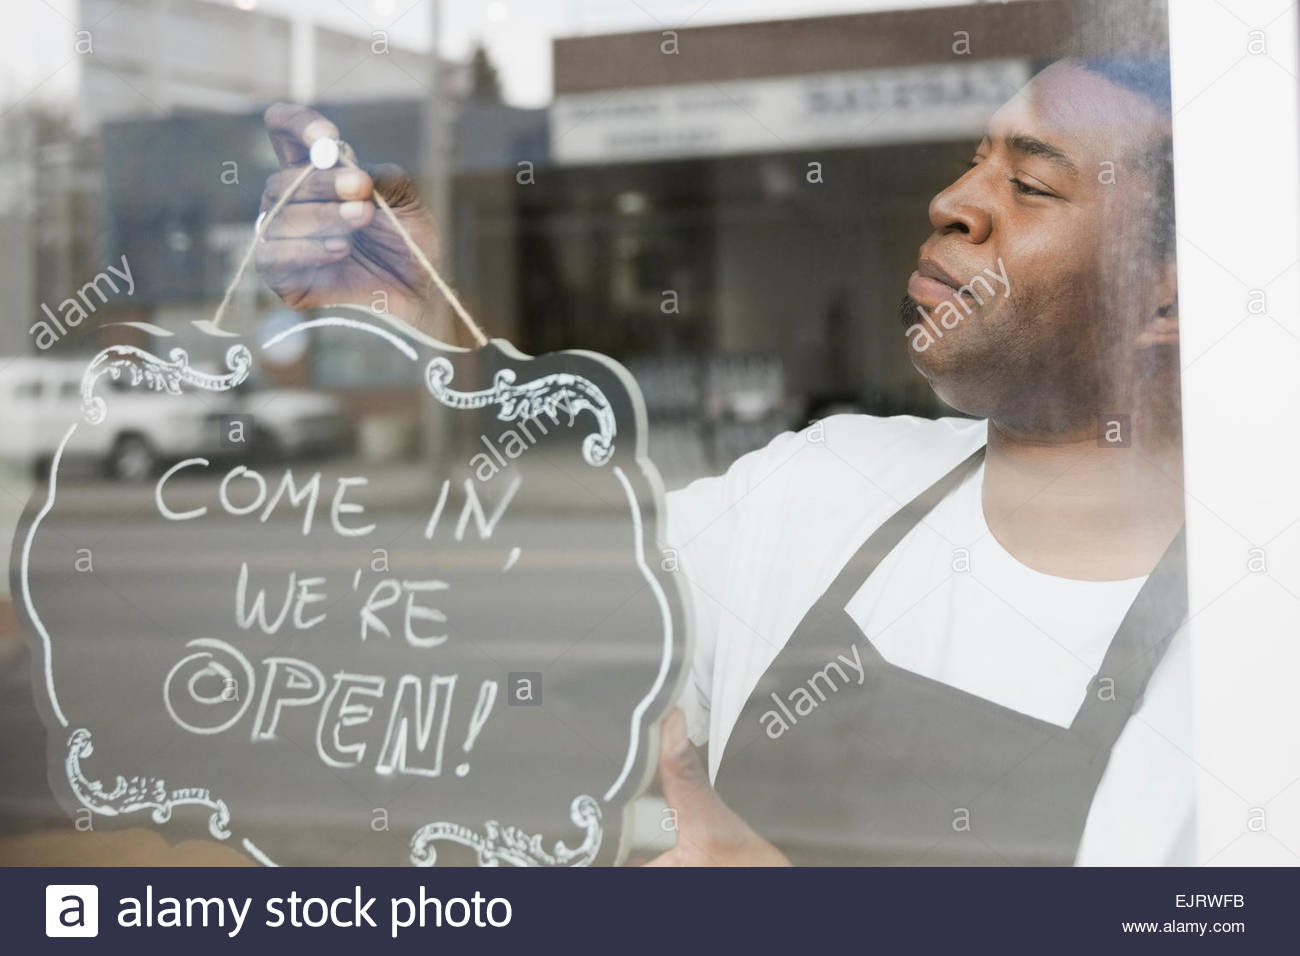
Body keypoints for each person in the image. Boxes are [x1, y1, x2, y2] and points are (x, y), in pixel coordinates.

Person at [253, 56, 1187, 866]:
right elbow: (452, 629)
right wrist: (405, 333)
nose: (952, 203)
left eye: (1032, 186)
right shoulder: (827, 483)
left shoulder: (1241, 662)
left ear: (1163, 301)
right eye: (974, 162)